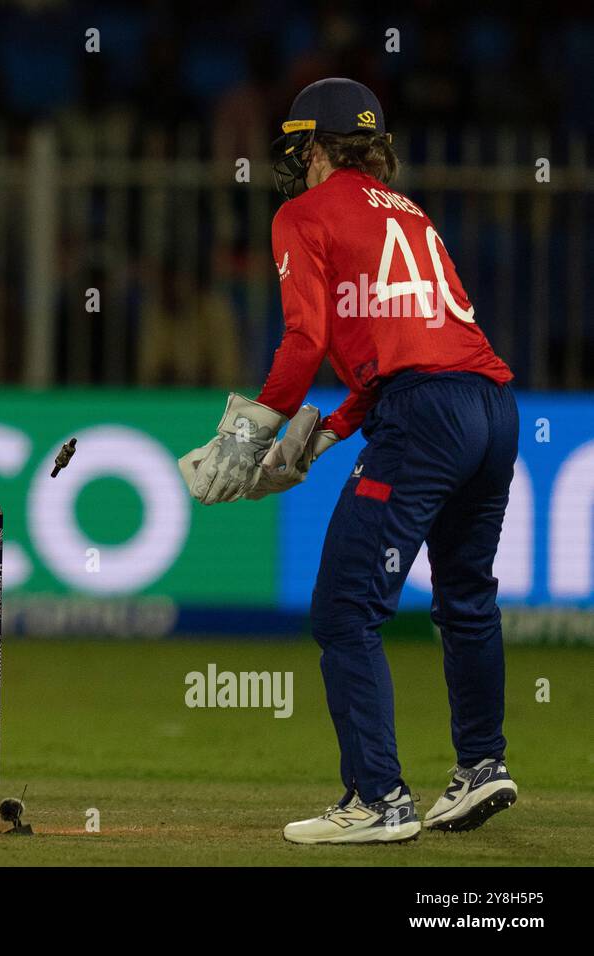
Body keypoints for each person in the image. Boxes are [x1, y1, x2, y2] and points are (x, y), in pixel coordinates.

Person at [180, 79, 518, 844]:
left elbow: (304, 341)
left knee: (343, 607)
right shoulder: (413, 215)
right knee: (466, 597)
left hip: (425, 414)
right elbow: (419, 347)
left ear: (317, 146)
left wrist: (249, 432)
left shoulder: (303, 215)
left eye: (299, 150)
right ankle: (482, 766)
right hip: (491, 410)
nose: (295, 166)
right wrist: (327, 433)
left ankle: (378, 799)